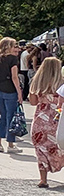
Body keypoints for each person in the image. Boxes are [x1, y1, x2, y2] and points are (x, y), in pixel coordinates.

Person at [29, 57, 64, 188]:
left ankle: (43, 180)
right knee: (61, 148)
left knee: (41, 149)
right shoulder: (61, 83)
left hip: (41, 120)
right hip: (58, 118)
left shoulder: (37, 82)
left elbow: (33, 102)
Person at [0, 37, 23, 153]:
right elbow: (14, 77)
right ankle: (10, 144)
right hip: (10, 89)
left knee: (2, 116)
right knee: (11, 116)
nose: (15, 48)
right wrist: (19, 92)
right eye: (14, 46)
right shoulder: (12, 59)